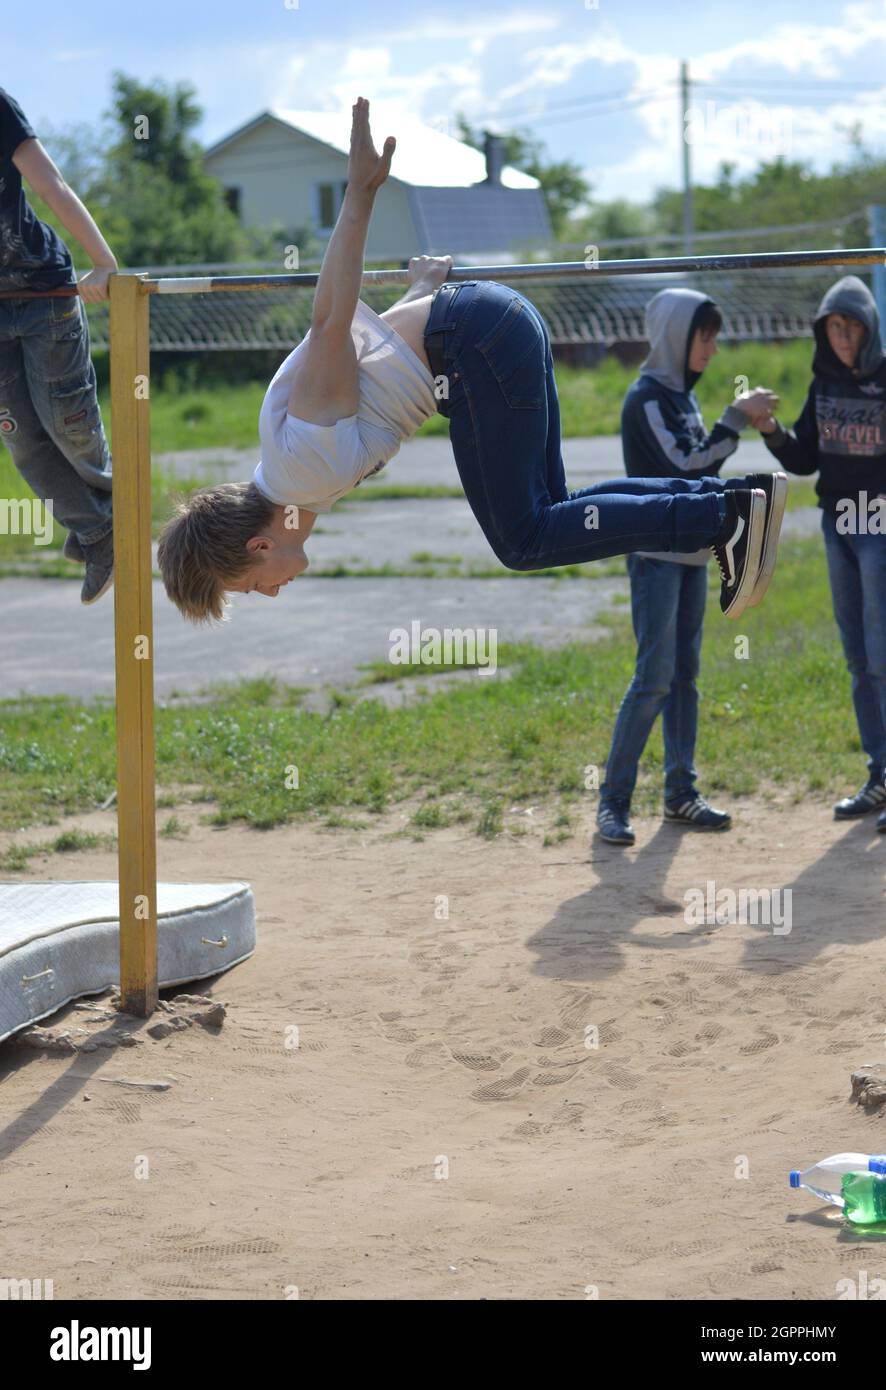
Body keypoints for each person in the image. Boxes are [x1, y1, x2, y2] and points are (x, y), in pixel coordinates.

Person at [158, 98, 784, 633]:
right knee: (554, 509)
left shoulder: (301, 468)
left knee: (523, 541)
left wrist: (359, 194)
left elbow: (329, 324)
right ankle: (735, 500)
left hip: (476, 342)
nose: (267, 594)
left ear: (260, 544)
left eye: (250, 586)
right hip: (484, 329)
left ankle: (720, 519)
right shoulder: (300, 476)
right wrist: (420, 296)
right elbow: (368, 361)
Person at [595, 288, 787, 845]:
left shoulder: (682, 397)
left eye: (715, 337)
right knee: (653, 679)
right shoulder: (647, 399)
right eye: (705, 336)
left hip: (691, 554)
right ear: (678, 336)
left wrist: (730, 421)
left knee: (685, 678)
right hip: (656, 557)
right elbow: (686, 463)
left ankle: (680, 794)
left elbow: (701, 459)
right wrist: (736, 418)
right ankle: (613, 803)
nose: (713, 348)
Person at [757, 275, 886, 832]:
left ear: (869, 329)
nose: (842, 338)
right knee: (857, 655)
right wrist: (770, 430)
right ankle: (878, 773)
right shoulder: (823, 381)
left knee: (882, 654)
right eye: (834, 327)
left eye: (851, 327)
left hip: (878, 523)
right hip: (837, 523)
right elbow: (806, 457)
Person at [0, 86, 116, 603]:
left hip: (44, 290)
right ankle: (97, 532)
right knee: (21, 437)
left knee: (67, 424)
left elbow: (52, 185)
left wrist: (104, 260)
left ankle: (115, 518)